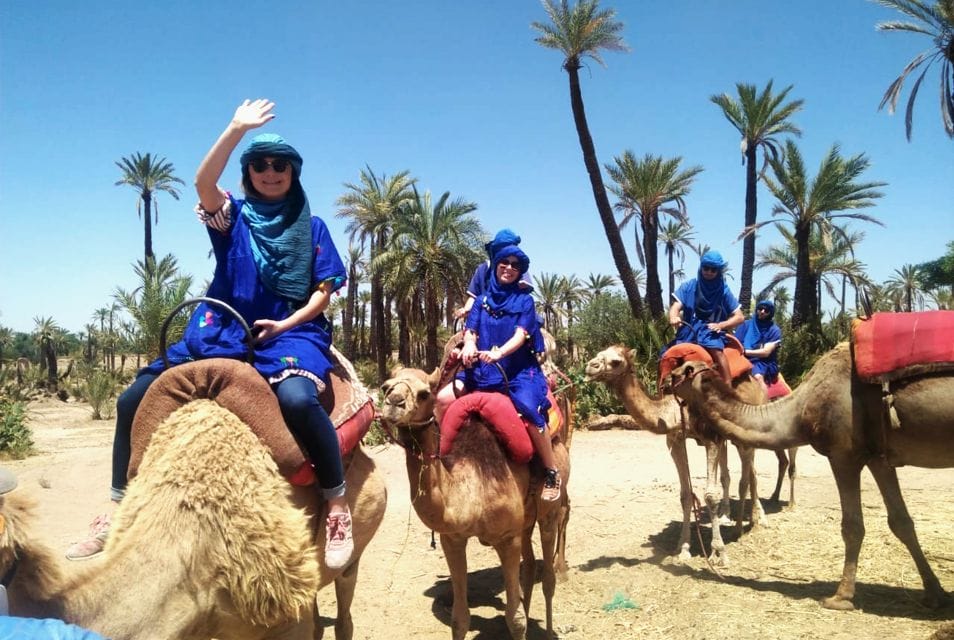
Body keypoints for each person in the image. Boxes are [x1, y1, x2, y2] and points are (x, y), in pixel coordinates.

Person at [66, 99, 353, 569]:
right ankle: (117, 506)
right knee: (128, 401)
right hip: (222, 328)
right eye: (259, 164)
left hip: (287, 332)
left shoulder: (313, 226)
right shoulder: (231, 218)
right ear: (248, 172)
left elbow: (324, 291)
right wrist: (236, 127)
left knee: (299, 400)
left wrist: (287, 323)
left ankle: (337, 502)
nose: (270, 171)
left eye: (280, 164)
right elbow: (202, 183)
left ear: (293, 172)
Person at [436, 243, 562, 502]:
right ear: (495, 265)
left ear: (520, 271)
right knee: (442, 399)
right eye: (504, 263)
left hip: (517, 371)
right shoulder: (482, 301)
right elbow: (471, 330)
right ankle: (440, 459)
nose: (509, 268)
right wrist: (470, 345)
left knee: (529, 411)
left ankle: (551, 470)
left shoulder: (525, 301)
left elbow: (520, 335)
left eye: (516, 265)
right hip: (482, 371)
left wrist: (498, 354)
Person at [666, 250, 744, 385]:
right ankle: (664, 387)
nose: (708, 272)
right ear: (701, 267)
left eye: (713, 270)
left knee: (717, 352)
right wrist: (674, 317)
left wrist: (721, 325)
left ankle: (728, 386)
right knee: (668, 354)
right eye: (706, 268)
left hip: (710, 331)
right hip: (689, 329)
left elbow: (740, 317)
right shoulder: (690, 286)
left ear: (718, 271)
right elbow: (676, 306)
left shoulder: (723, 290)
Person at [735, 299, 782, 391]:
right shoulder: (745, 325)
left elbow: (765, 353)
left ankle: (764, 402)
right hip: (742, 358)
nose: (762, 312)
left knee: (758, 377)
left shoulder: (774, 330)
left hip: (763, 361)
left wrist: (745, 352)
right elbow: (737, 343)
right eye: (760, 308)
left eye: (766, 310)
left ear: (770, 313)